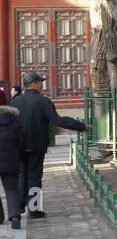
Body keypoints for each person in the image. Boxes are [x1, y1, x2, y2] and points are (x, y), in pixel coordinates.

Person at [12, 71, 87, 218]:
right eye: (40, 82)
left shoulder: (16, 101)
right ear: (34, 84)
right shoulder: (43, 101)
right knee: (34, 176)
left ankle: (19, 207)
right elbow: (58, 121)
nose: (42, 85)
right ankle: (34, 210)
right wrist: (81, 126)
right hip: (37, 145)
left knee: (21, 174)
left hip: (19, 144)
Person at [0, 100, 24, 229]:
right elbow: (20, 141)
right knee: (11, 189)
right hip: (10, 159)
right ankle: (15, 215)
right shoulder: (14, 120)